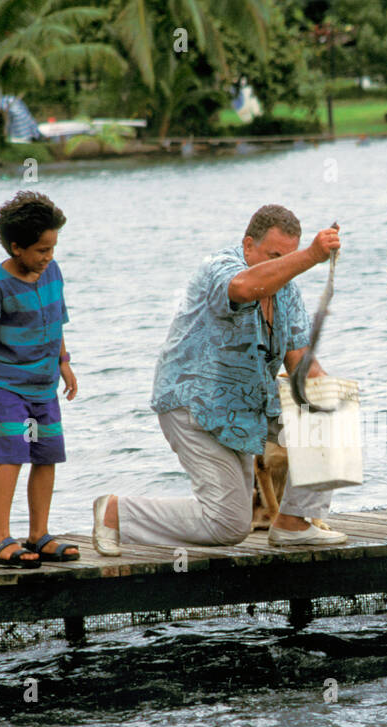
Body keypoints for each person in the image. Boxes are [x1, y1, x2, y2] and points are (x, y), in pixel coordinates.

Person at [92, 205, 347, 551]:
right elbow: (242, 289)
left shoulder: (287, 290)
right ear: (247, 245)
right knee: (228, 525)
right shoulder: (220, 268)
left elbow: (300, 359)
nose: (282, 267)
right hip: (195, 407)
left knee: (330, 411)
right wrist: (310, 255)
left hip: (249, 405)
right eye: (274, 256)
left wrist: (336, 398)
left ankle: (293, 523)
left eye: (288, 258)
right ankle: (117, 513)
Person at [0, 191, 78, 567]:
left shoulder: (52, 273)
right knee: (12, 454)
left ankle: (38, 534)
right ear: (16, 247)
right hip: (3, 386)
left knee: (46, 455)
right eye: (41, 250)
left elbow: (58, 322)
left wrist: (64, 363)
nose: (48, 257)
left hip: (43, 385)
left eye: (52, 248)